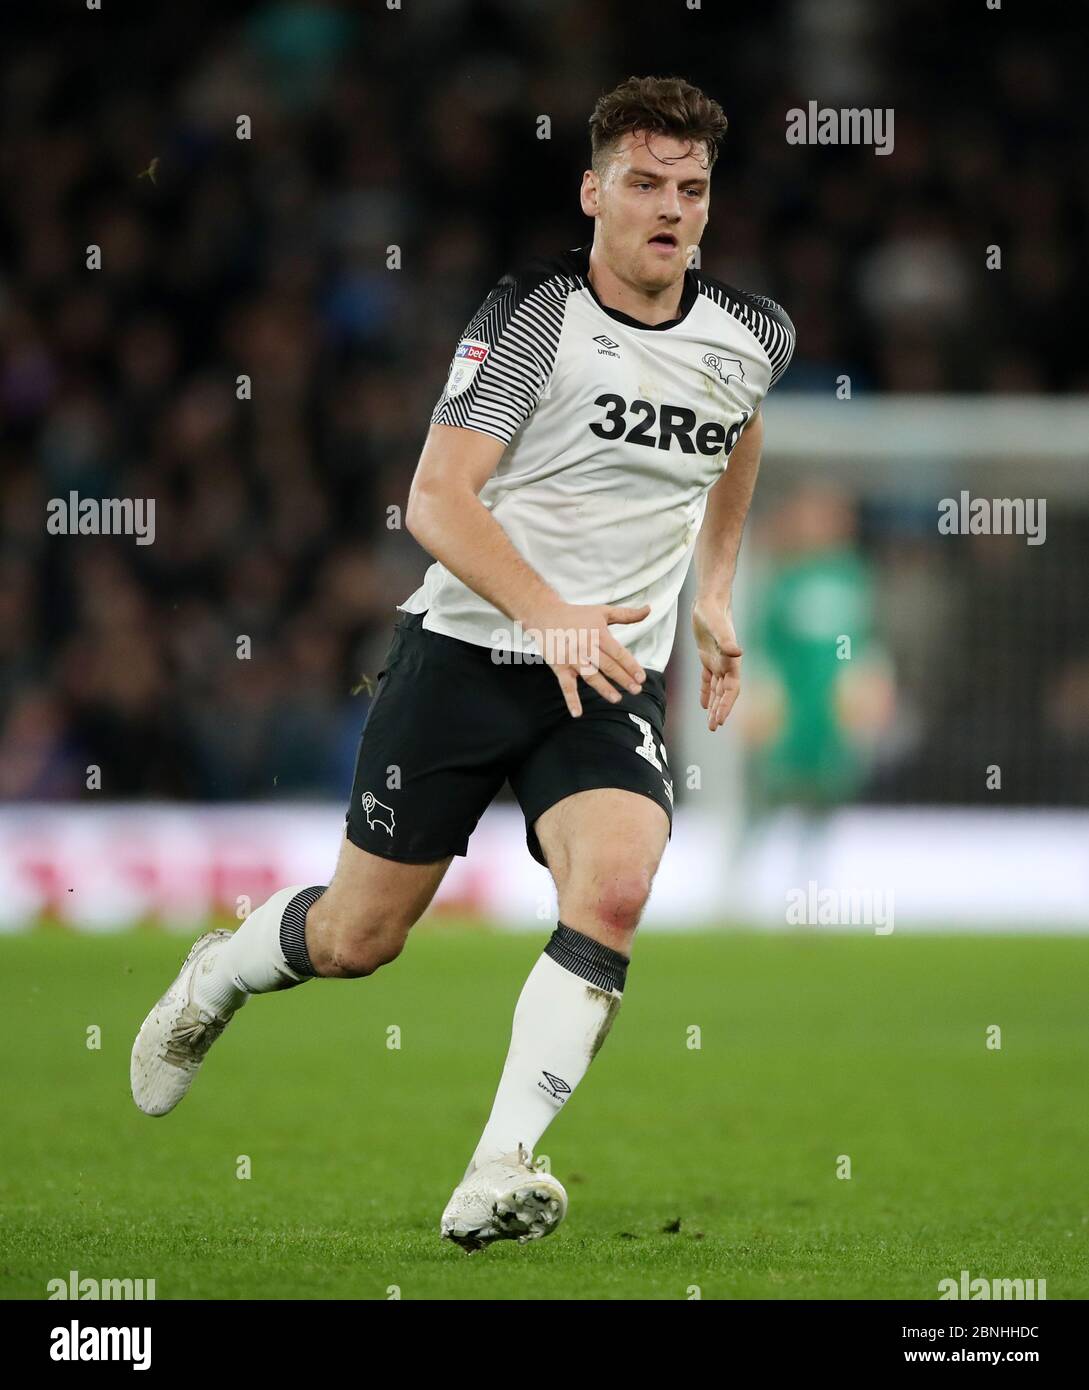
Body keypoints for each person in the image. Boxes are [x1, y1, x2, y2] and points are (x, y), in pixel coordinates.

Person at [131, 74, 795, 1252]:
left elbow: (739, 440)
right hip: (468, 652)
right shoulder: (533, 318)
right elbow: (436, 499)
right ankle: (221, 973)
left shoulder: (755, 336)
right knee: (356, 939)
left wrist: (718, 593)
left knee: (617, 885)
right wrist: (548, 612)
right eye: (644, 184)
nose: (672, 209)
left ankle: (501, 1166)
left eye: (691, 189)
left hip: (604, 677)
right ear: (592, 192)